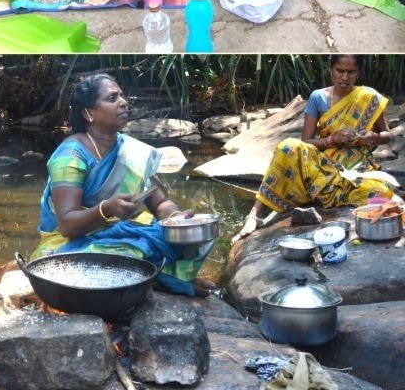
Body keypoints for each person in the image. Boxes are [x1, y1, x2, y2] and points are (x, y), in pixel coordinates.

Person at [33, 74, 215, 297]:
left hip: (118, 233)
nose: (123, 102)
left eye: (122, 95)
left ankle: (164, 278)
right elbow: (68, 227)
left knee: (196, 233)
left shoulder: (131, 150)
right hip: (70, 244)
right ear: (88, 112)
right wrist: (107, 209)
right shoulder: (71, 155)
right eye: (112, 98)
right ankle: (164, 280)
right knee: (120, 256)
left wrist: (176, 218)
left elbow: (159, 202)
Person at [234, 55, 397, 241]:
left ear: (358, 73)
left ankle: (318, 196)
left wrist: (373, 137)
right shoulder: (318, 97)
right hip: (323, 165)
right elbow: (307, 140)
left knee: (382, 191)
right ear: (331, 70)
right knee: (288, 146)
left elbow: (387, 135)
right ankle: (254, 215)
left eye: (351, 72)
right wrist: (333, 139)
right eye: (340, 71)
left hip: (355, 168)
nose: (344, 77)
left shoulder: (369, 97)